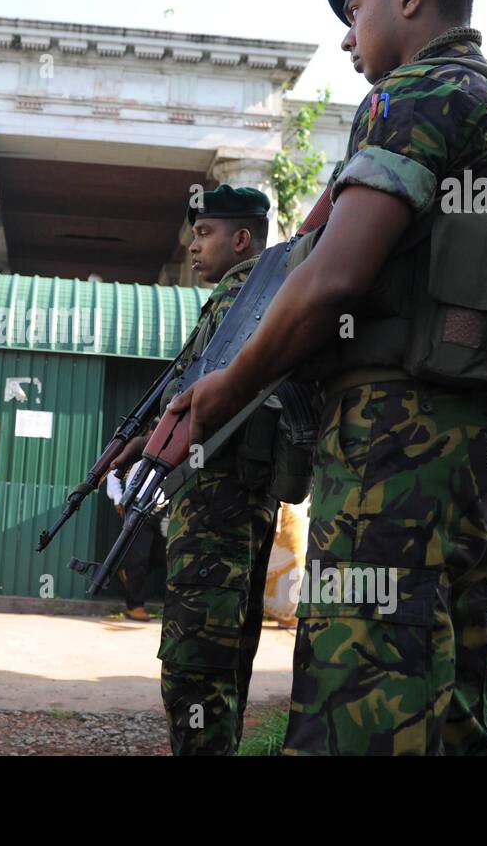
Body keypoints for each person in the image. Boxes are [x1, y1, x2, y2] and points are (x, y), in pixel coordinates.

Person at [169, 0, 487, 756]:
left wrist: (227, 386)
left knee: (356, 713)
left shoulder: (412, 95)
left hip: (393, 454)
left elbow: (333, 278)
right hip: (475, 449)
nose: (346, 38)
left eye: (355, 8)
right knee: (449, 709)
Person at [120, 184, 286, 755]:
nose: (194, 244)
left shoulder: (239, 297)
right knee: (229, 647)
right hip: (243, 491)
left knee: (195, 657)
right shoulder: (269, 294)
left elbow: (207, 404)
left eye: (205, 232)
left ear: (242, 239)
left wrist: (153, 447)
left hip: (217, 491)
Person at [105, 462, 166, 622]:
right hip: (138, 503)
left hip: (165, 506)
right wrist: (118, 497)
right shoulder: (139, 440)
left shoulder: (177, 440)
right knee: (139, 556)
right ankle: (136, 606)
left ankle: (127, 573)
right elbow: (114, 470)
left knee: (163, 556)